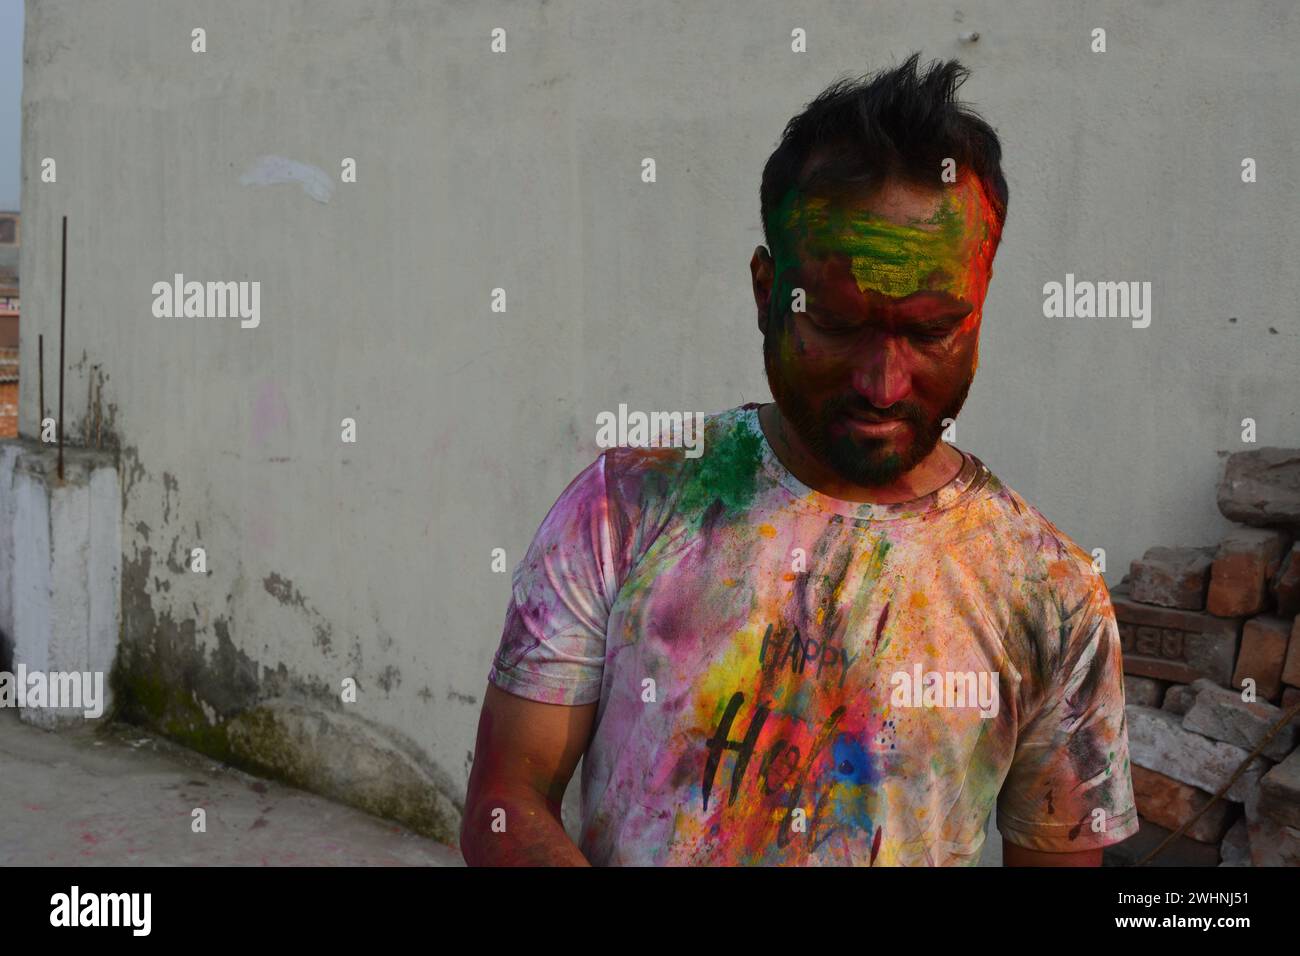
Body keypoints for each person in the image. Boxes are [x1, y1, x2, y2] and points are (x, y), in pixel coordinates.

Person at [461, 53, 1138, 866]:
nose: (883, 384)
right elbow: (507, 802)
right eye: (840, 322)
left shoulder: (1050, 593)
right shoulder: (630, 502)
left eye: (930, 331)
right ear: (764, 291)